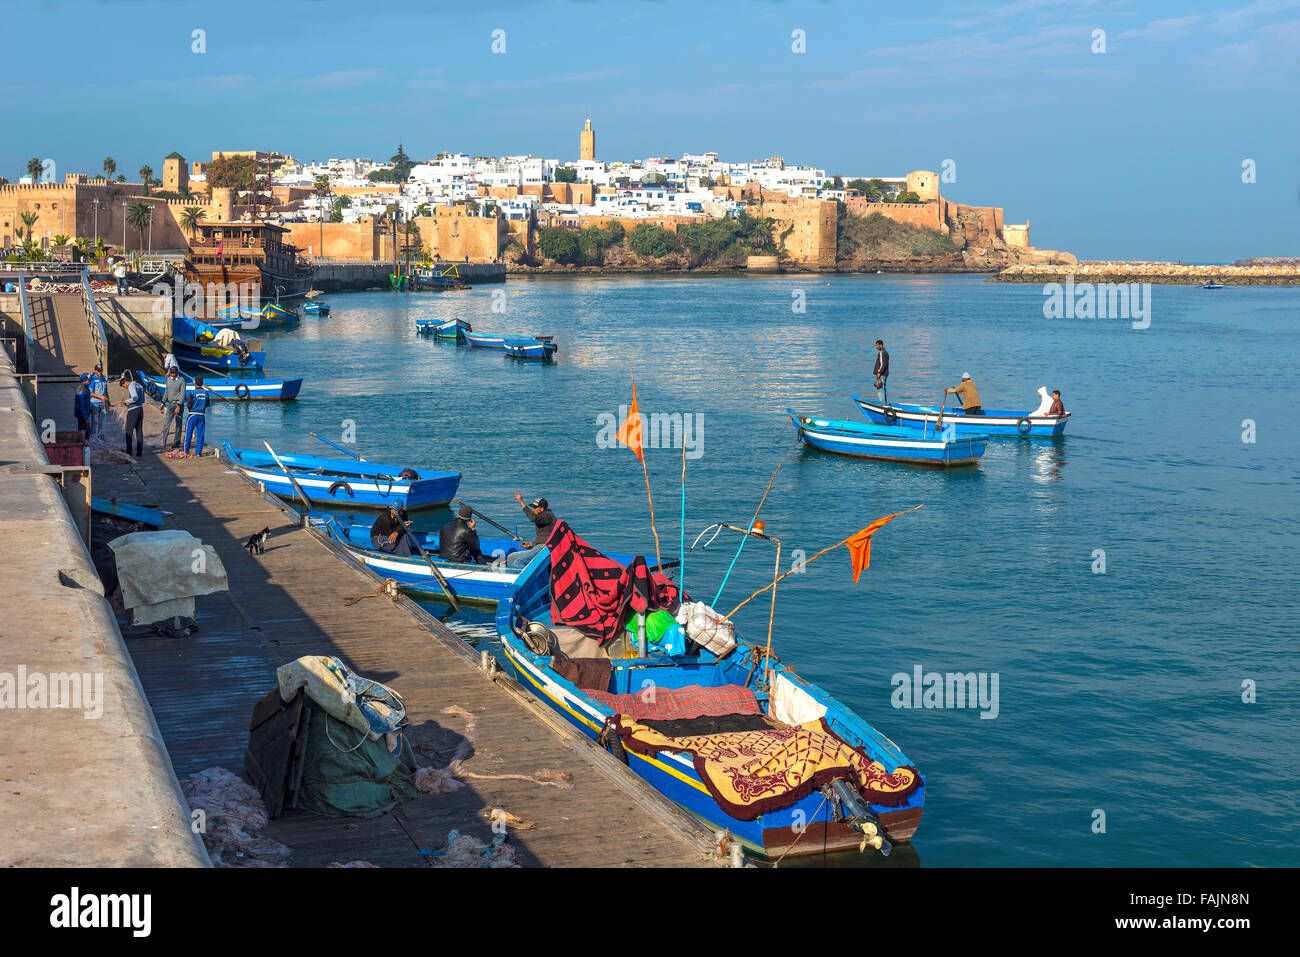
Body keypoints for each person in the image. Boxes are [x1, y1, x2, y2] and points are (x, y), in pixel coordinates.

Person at [159, 367, 186, 450]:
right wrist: (162, 403)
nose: (173, 374)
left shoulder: (182, 380)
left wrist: (179, 405)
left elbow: (183, 394)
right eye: (171, 373)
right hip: (170, 405)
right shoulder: (168, 380)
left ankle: (176, 442)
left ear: (177, 372)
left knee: (178, 425)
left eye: (174, 373)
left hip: (178, 405)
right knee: (166, 424)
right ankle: (163, 442)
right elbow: (166, 392)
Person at [183, 376, 211, 456]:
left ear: (195, 383)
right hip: (201, 415)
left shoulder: (192, 392)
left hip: (192, 415)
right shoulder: (206, 393)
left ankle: (186, 451)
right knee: (200, 434)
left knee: (188, 433)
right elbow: (207, 404)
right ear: (202, 384)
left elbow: (189, 405)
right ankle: (198, 453)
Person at [120, 373, 145, 457]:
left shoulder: (131, 385)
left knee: (128, 432)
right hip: (140, 409)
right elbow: (143, 400)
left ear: (126, 382)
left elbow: (134, 398)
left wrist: (125, 402)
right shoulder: (139, 385)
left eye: (124, 386)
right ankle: (139, 452)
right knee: (139, 431)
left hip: (133, 411)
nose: (125, 387)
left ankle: (129, 453)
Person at [87, 363, 109, 436]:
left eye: (101, 371)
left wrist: (109, 403)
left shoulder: (104, 378)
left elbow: (106, 392)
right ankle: (93, 438)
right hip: (95, 404)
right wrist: (101, 397)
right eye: (99, 371)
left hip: (103, 404)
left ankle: (101, 438)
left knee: (102, 423)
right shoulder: (92, 379)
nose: (100, 372)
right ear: (95, 371)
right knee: (94, 422)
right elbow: (90, 393)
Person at [872, 339, 890, 404]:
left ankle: (883, 404)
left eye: (877, 345)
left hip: (882, 374)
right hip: (885, 374)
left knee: (880, 389)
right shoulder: (886, 352)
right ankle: (885, 403)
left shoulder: (882, 352)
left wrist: (879, 372)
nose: (876, 347)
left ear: (881, 345)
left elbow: (883, 364)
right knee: (883, 389)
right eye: (876, 345)